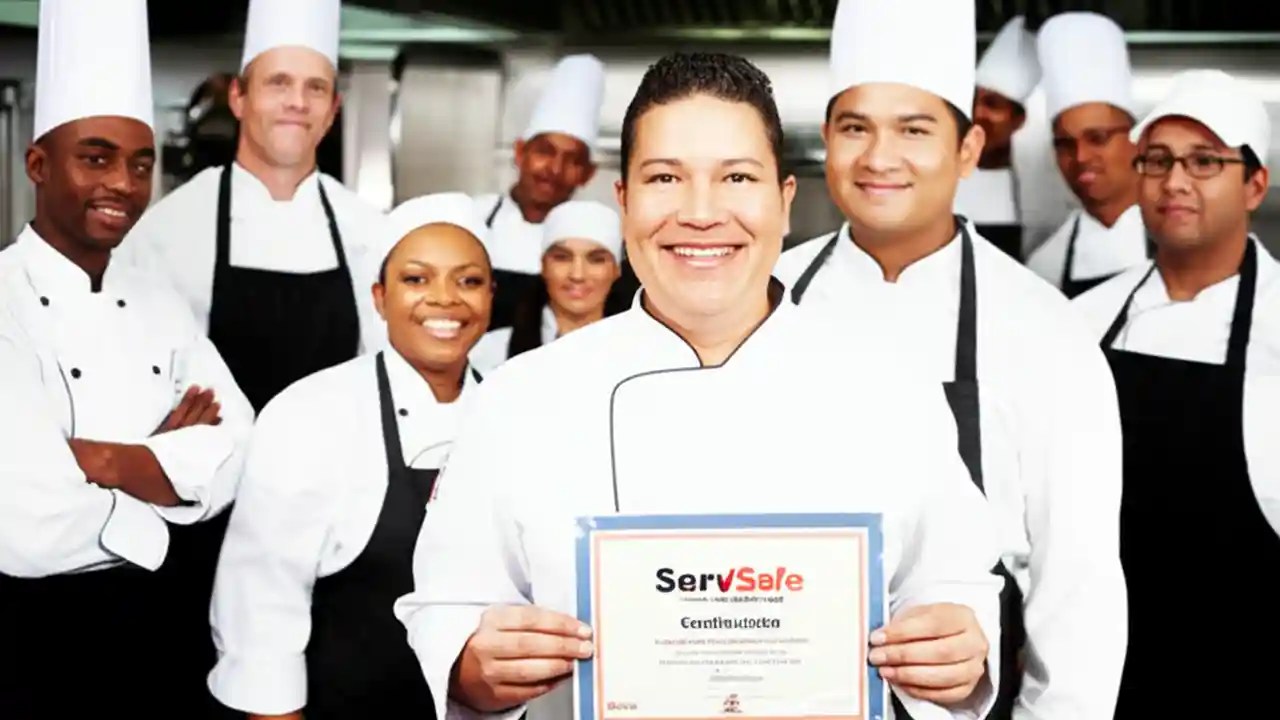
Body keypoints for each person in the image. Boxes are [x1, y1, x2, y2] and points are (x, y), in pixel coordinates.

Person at [395, 51, 1006, 720]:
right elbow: (448, 602)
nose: (701, 213)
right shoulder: (520, 397)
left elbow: (954, 582)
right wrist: (469, 666)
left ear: (784, 198)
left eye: (737, 176)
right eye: (665, 177)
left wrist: (957, 649)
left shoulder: (889, 388)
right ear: (623, 200)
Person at [773, 0, 1128, 718]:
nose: (879, 157)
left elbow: (1079, 586)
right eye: (854, 128)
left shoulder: (1042, 328)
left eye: (914, 129)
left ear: (968, 149)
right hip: (767, 679)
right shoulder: (764, 296)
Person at [0, 1, 253, 716]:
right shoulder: (3, 304)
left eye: (140, 164)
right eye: (96, 158)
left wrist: (98, 461)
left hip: (168, 646)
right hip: (35, 647)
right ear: (38, 164)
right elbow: (23, 526)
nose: (123, 183)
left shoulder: (160, 301)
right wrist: (171, 476)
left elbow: (239, 445)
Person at [207, 192, 491, 720]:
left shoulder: (509, 415)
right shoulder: (311, 413)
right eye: (416, 279)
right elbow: (262, 606)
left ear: (491, 295)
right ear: (380, 298)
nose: (445, 299)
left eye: (468, 280)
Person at [1071, 69, 1280, 717]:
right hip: (1107, 661)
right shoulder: (1083, 319)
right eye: (1156, 161)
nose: (1175, 181)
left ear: (1254, 184)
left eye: (1204, 161)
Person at [120, 0, 387, 415]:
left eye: (315, 87)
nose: (297, 102)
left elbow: (385, 379)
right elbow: (141, 383)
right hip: (214, 473)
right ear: (238, 97)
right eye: (279, 83)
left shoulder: (370, 232)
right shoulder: (168, 231)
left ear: (332, 110)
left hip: (337, 474)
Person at [475, 54, 607, 330]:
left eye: (572, 160)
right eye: (545, 152)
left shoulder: (595, 245)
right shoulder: (470, 220)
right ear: (520, 152)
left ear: (587, 174)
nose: (555, 169)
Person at [1025, 12, 1148, 298]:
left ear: (1137, 139)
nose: (1080, 156)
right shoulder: (1043, 266)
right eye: (1064, 144)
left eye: (1098, 138)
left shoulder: (1182, 240)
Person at [469, 199, 623, 373]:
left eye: (596, 260)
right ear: (543, 264)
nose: (577, 274)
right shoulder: (488, 353)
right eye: (562, 257)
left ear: (616, 270)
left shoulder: (642, 353)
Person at [953, 15, 1040, 262]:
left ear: (1019, 119)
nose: (978, 113)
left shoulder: (1038, 194)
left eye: (992, 104)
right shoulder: (941, 180)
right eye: (973, 102)